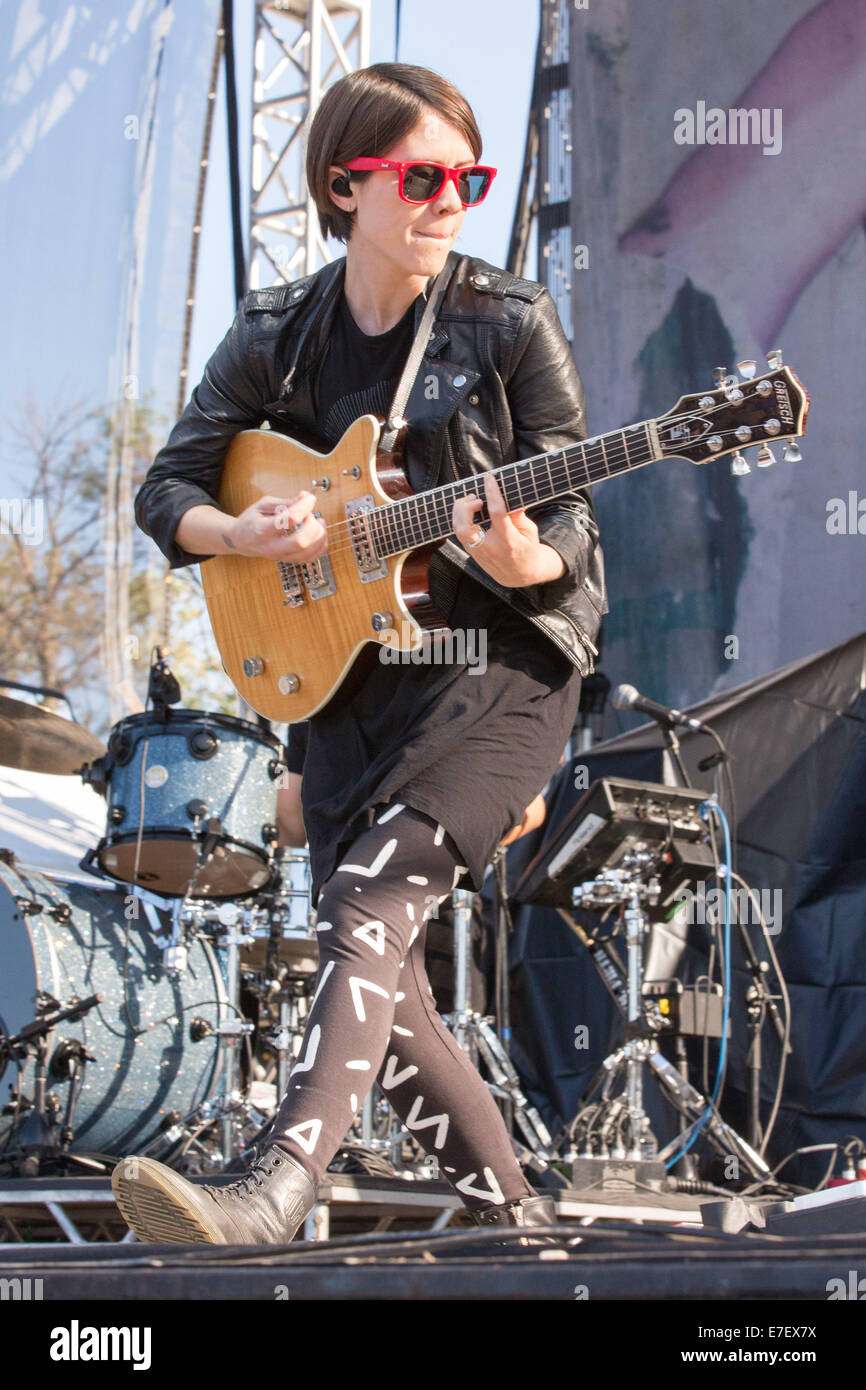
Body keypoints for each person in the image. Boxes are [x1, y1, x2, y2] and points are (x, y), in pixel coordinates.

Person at [112, 61, 606, 1246]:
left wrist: (533, 561)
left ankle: (278, 1185)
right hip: (344, 682)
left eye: (468, 178)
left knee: (363, 902)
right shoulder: (276, 336)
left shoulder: (508, 321)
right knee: (388, 1013)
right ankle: (517, 1238)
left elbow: (574, 501)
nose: (451, 200)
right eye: (424, 176)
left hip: (500, 674)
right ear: (345, 185)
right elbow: (165, 484)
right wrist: (236, 531)